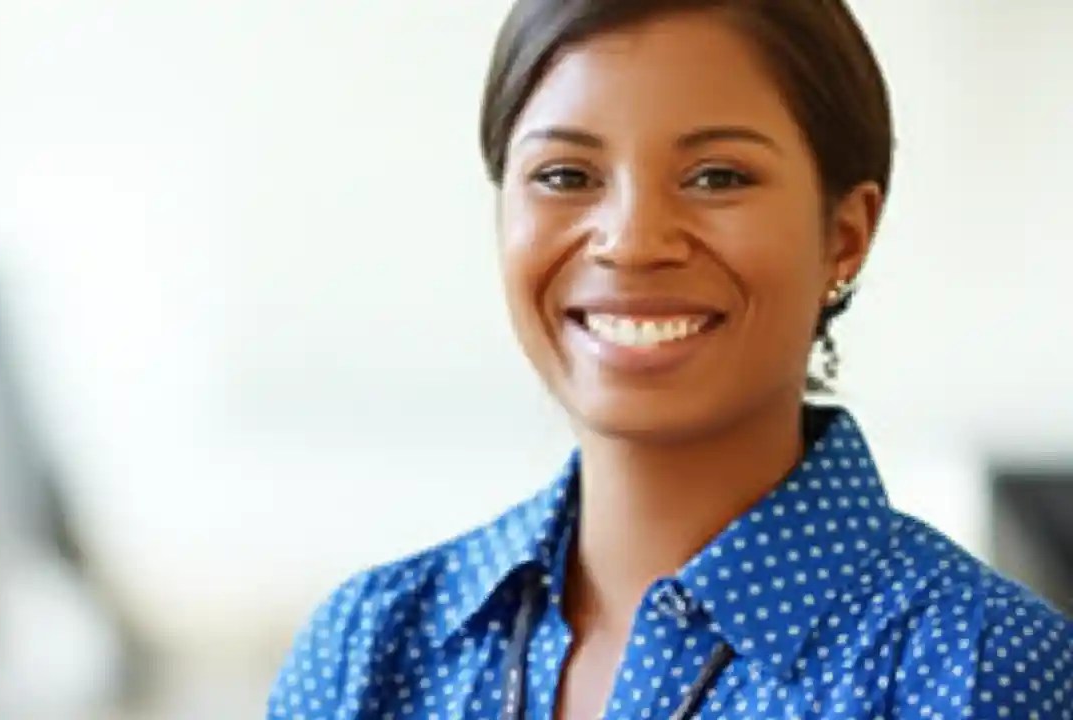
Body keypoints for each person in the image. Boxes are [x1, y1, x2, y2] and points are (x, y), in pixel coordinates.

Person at [267, 1, 1073, 718]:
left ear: (845, 235)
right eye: (565, 175)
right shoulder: (364, 650)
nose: (631, 240)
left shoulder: (976, 668)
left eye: (717, 176)